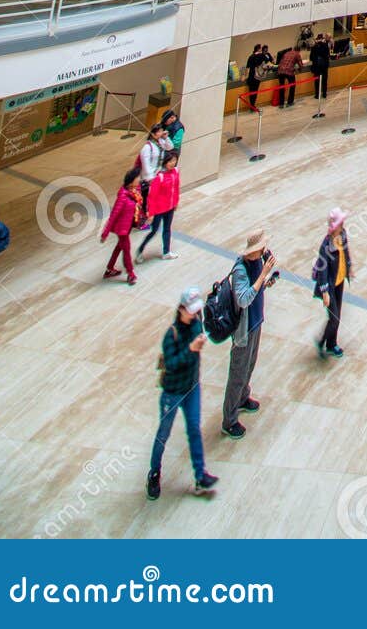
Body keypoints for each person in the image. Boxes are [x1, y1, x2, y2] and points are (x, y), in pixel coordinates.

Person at [146, 287, 218, 500]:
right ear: (181, 309)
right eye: (191, 310)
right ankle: (154, 473)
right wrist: (192, 350)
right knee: (163, 434)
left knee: (194, 429)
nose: (195, 314)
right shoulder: (172, 334)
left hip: (192, 387)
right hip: (173, 392)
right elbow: (172, 364)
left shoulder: (196, 325)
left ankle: (200, 474)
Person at [221, 229, 277, 438]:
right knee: (238, 372)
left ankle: (243, 397)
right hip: (243, 330)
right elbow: (243, 299)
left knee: (250, 365)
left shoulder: (257, 262)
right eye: (262, 247)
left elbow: (257, 289)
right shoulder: (240, 270)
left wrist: (266, 281)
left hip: (255, 323)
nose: (265, 250)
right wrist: (263, 275)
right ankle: (229, 420)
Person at [313, 208, 354, 359]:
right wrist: (324, 292)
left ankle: (331, 344)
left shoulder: (342, 235)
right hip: (329, 285)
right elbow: (322, 270)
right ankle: (322, 341)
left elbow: (346, 252)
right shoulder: (326, 245)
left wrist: (349, 267)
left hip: (339, 280)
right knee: (334, 317)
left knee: (336, 316)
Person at [100, 167, 142, 284]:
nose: (139, 179)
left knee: (119, 247)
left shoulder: (134, 191)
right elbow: (113, 216)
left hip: (128, 226)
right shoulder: (123, 197)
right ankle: (130, 274)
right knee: (126, 250)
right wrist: (105, 233)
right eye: (137, 178)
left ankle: (109, 269)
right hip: (122, 229)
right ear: (131, 181)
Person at [137, 151, 180, 261]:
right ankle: (140, 250)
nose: (172, 163)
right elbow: (152, 196)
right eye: (170, 161)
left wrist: (175, 203)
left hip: (169, 208)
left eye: (174, 160)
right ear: (165, 162)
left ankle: (166, 252)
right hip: (159, 210)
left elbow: (176, 189)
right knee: (154, 231)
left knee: (167, 229)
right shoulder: (159, 177)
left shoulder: (175, 172)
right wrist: (151, 213)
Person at [138, 124, 169, 213]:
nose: (161, 133)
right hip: (148, 178)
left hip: (157, 175)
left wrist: (166, 138)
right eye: (159, 131)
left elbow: (170, 147)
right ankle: (143, 217)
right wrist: (150, 177)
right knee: (146, 199)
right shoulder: (147, 147)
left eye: (161, 131)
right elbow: (145, 164)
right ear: (153, 134)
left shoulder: (161, 143)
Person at [243, 43, 272, 111]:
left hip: (251, 77)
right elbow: (269, 63)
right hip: (257, 77)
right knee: (255, 91)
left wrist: (245, 76)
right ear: (259, 49)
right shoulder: (262, 55)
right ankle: (253, 106)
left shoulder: (251, 56)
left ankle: (251, 106)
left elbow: (247, 68)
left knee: (251, 92)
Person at [277, 43, 302, 109]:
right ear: (299, 50)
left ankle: (281, 104)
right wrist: (299, 70)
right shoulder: (297, 54)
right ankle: (290, 102)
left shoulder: (287, 52)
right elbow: (301, 65)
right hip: (289, 71)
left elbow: (281, 61)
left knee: (282, 87)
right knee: (292, 86)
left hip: (280, 70)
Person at [309, 32, 331, 101]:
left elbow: (311, 58)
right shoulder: (325, 46)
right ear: (322, 39)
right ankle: (324, 94)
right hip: (324, 65)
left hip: (316, 66)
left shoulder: (314, 47)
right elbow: (328, 55)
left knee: (317, 81)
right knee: (324, 80)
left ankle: (317, 95)